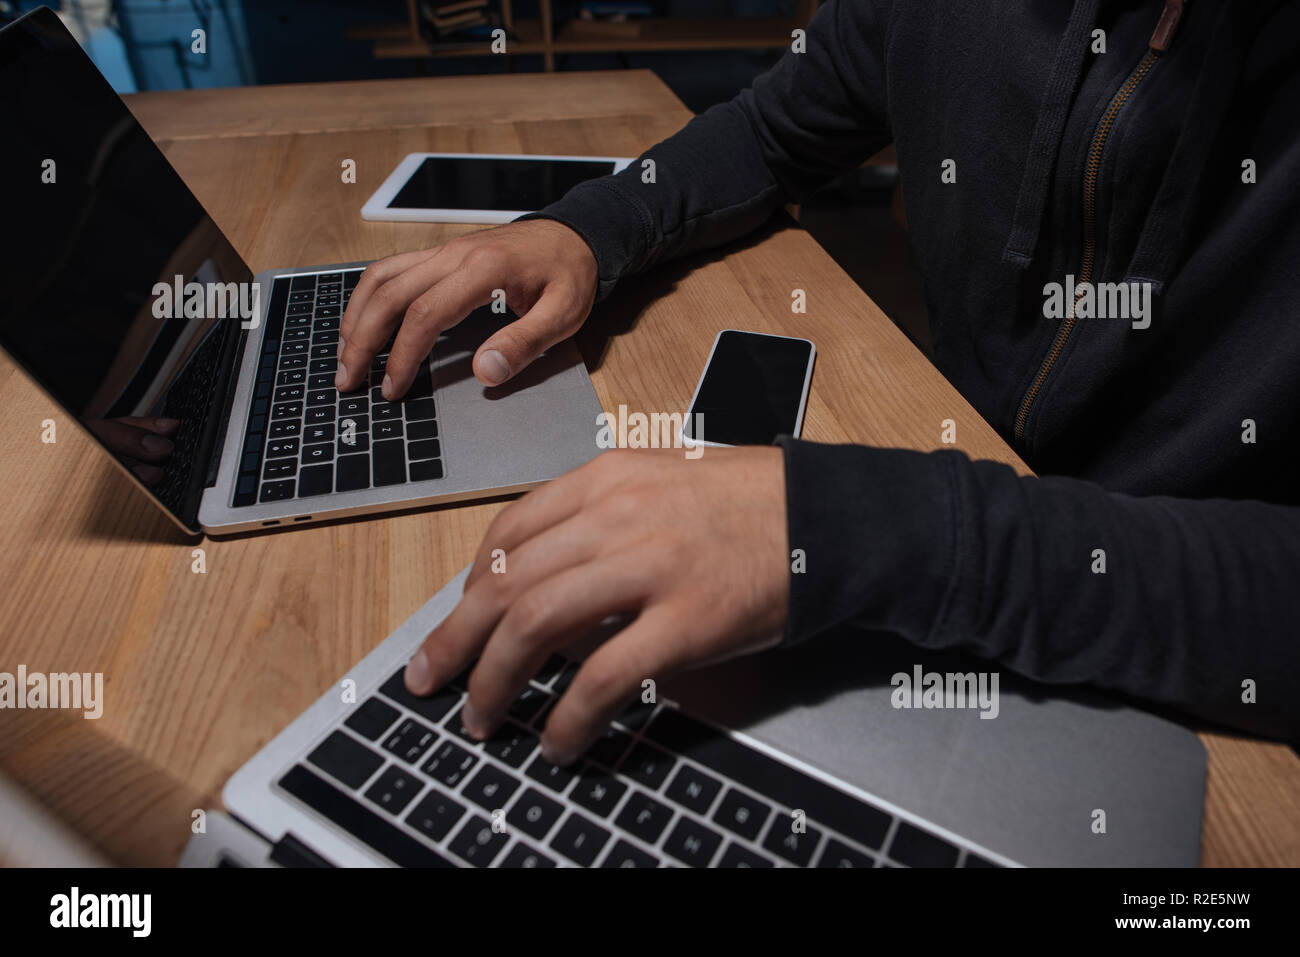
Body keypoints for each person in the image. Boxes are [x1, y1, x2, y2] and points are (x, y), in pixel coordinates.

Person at [336, 0, 1300, 764]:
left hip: (1192, 673)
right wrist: (585, 229)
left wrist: (864, 527)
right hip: (958, 575)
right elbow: (769, 132)